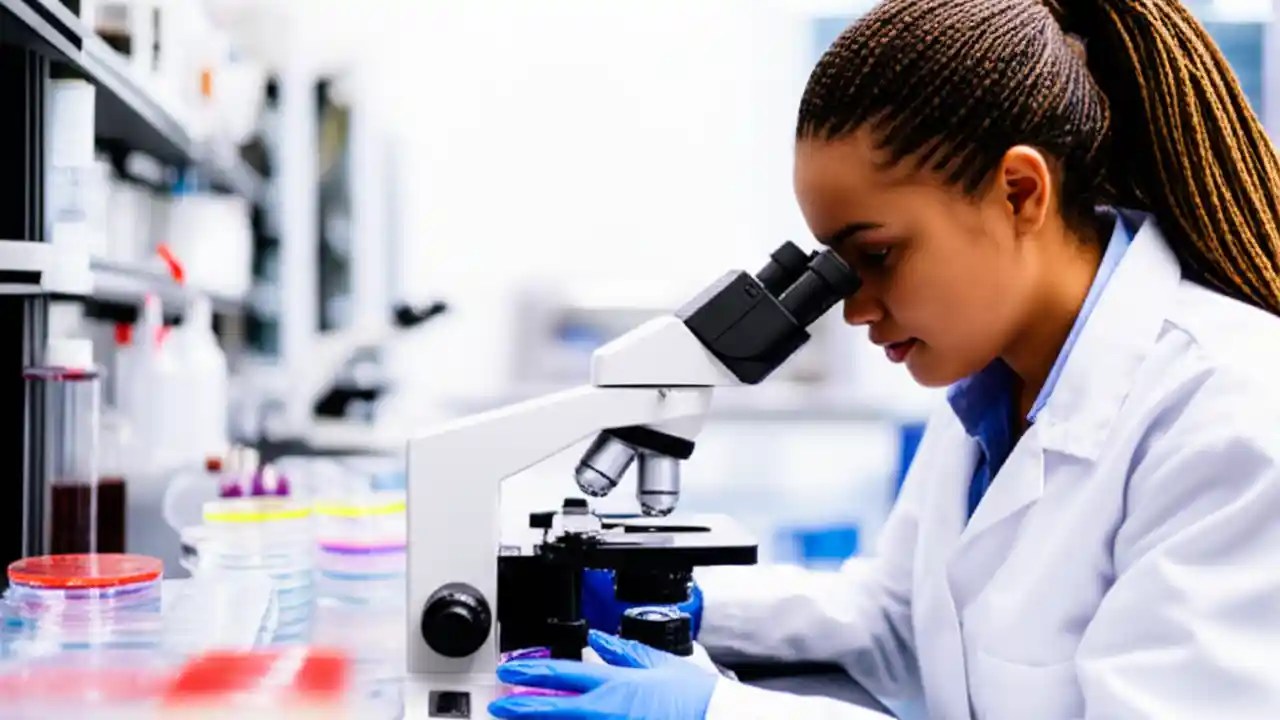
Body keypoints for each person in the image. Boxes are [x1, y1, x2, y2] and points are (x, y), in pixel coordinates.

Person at [487, 0, 1280, 717]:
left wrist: (718, 714)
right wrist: (682, 606)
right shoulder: (993, 389)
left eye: (876, 254)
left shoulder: (1230, 415)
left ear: (1018, 192)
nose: (853, 307)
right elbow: (908, 628)